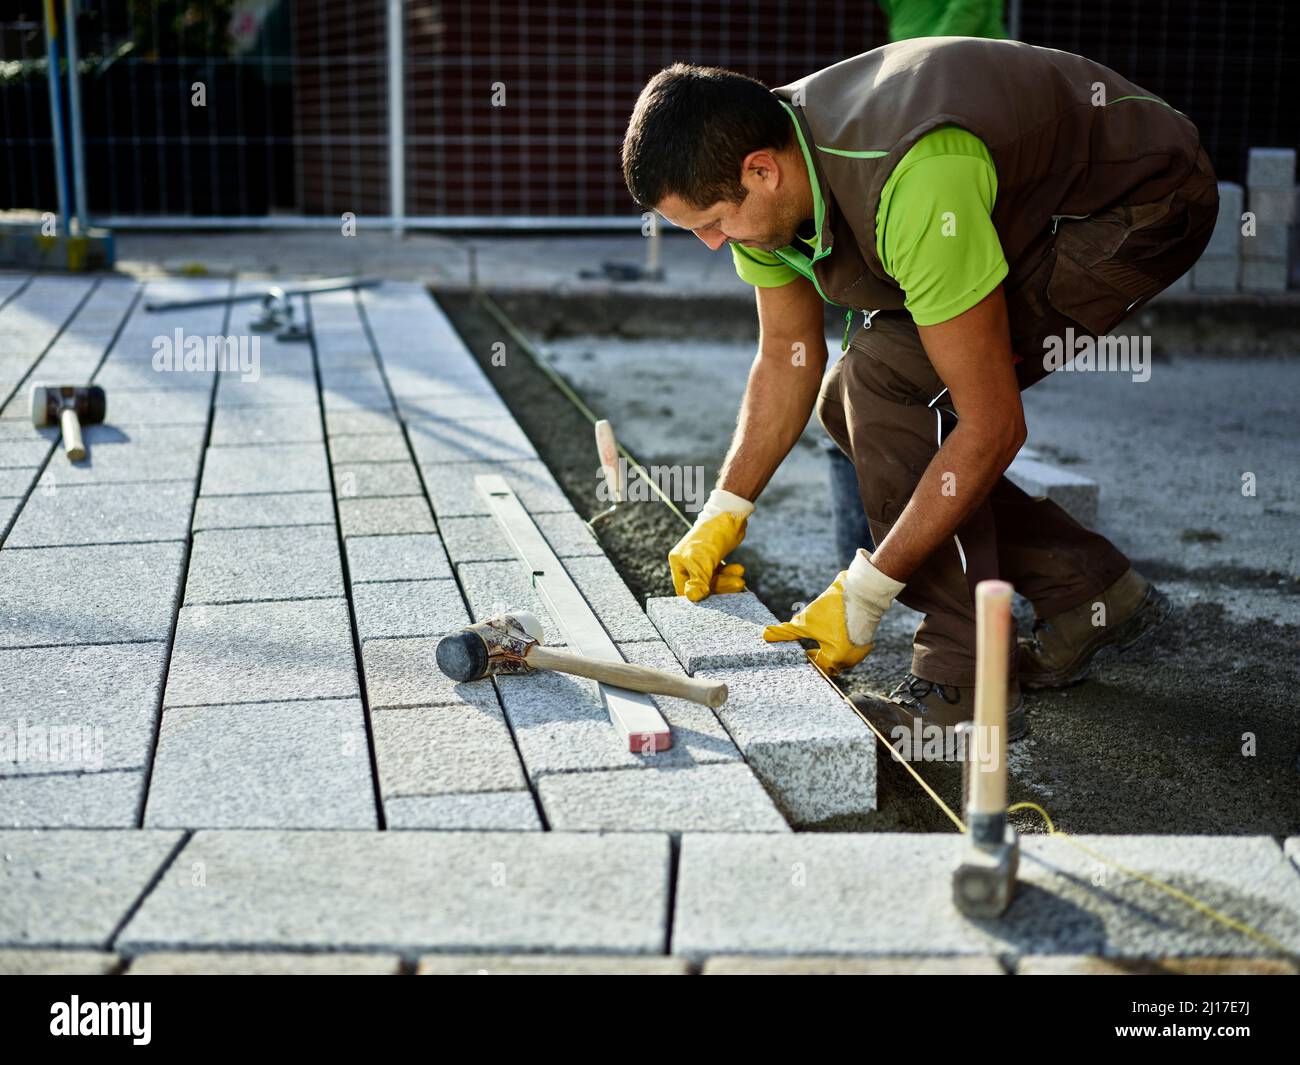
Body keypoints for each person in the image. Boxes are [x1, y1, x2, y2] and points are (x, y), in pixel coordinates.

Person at [621, 37, 1217, 746]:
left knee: (887, 383)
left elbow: (995, 424)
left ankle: (962, 683)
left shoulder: (911, 178)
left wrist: (866, 594)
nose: (714, 246)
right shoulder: (759, 169)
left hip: (1138, 201)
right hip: (1011, 199)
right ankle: (1087, 589)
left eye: (714, 223)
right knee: (849, 395)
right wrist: (724, 507)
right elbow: (787, 353)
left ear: (762, 170)